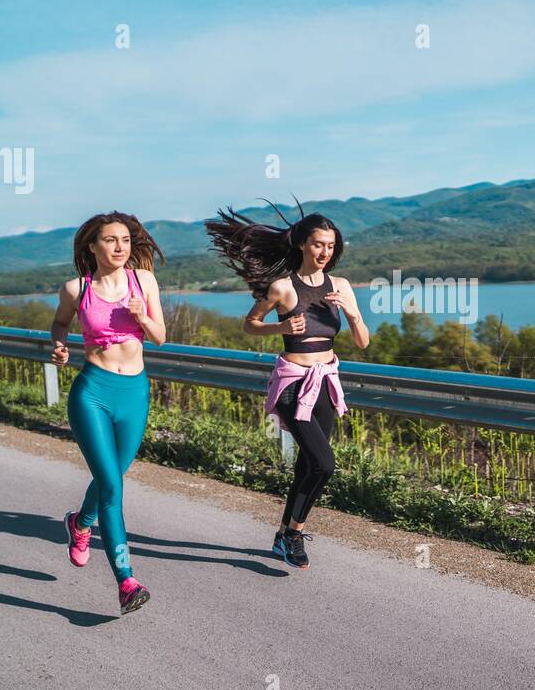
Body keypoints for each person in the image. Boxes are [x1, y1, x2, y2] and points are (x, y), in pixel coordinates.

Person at [205, 203, 370, 569]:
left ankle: (284, 535)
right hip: (293, 384)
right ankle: (294, 533)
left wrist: (353, 313)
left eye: (330, 245)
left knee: (308, 465)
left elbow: (362, 342)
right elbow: (250, 324)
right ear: (301, 244)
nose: (325, 252)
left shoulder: (341, 286)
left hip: (326, 382)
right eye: (317, 245)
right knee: (324, 463)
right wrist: (279, 328)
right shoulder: (282, 287)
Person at [49, 212, 167, 613]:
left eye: (126, 240)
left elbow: (161, 337)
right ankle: (126, 581)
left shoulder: (143, 282)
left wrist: (141, 316)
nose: (120, 247)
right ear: (92, 247)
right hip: (93, 393)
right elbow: (60, 324)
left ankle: (80, 524)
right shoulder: (76, 288)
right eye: (111, 240)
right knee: (113, 488)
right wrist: (60, 346)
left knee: (111, 478)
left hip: (134, 392)